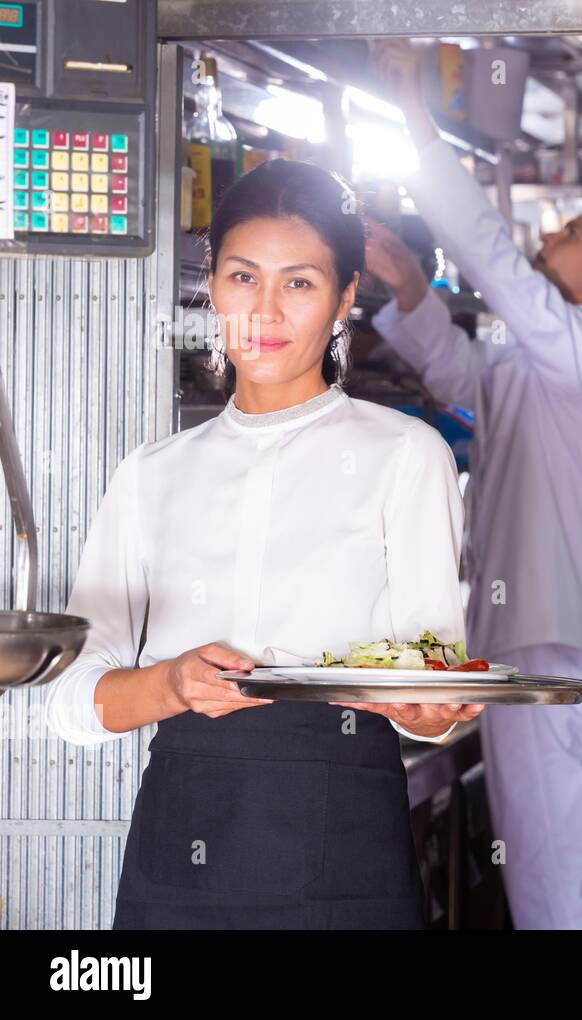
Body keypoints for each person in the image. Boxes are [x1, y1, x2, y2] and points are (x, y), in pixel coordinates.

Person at [44, 159, 481, 929]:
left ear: (347, 296)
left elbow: (433, 682)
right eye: (244, 277)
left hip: (345, 843)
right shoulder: (152, 475)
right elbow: (74, 699)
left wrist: (428, 710)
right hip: (178, 847)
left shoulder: (407, 456)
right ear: (212, 283)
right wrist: (172, 685)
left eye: (301, 283)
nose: (266, 311)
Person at [364, 40, 582, 929]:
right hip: (529, 633)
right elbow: (467, 381)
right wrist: (413, 289)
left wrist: (419, 123)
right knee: (559, 842)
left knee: (554, 856)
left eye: (570, 234)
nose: (548, 235)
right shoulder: (555, 359)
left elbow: (496, 260)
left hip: (542, 636)